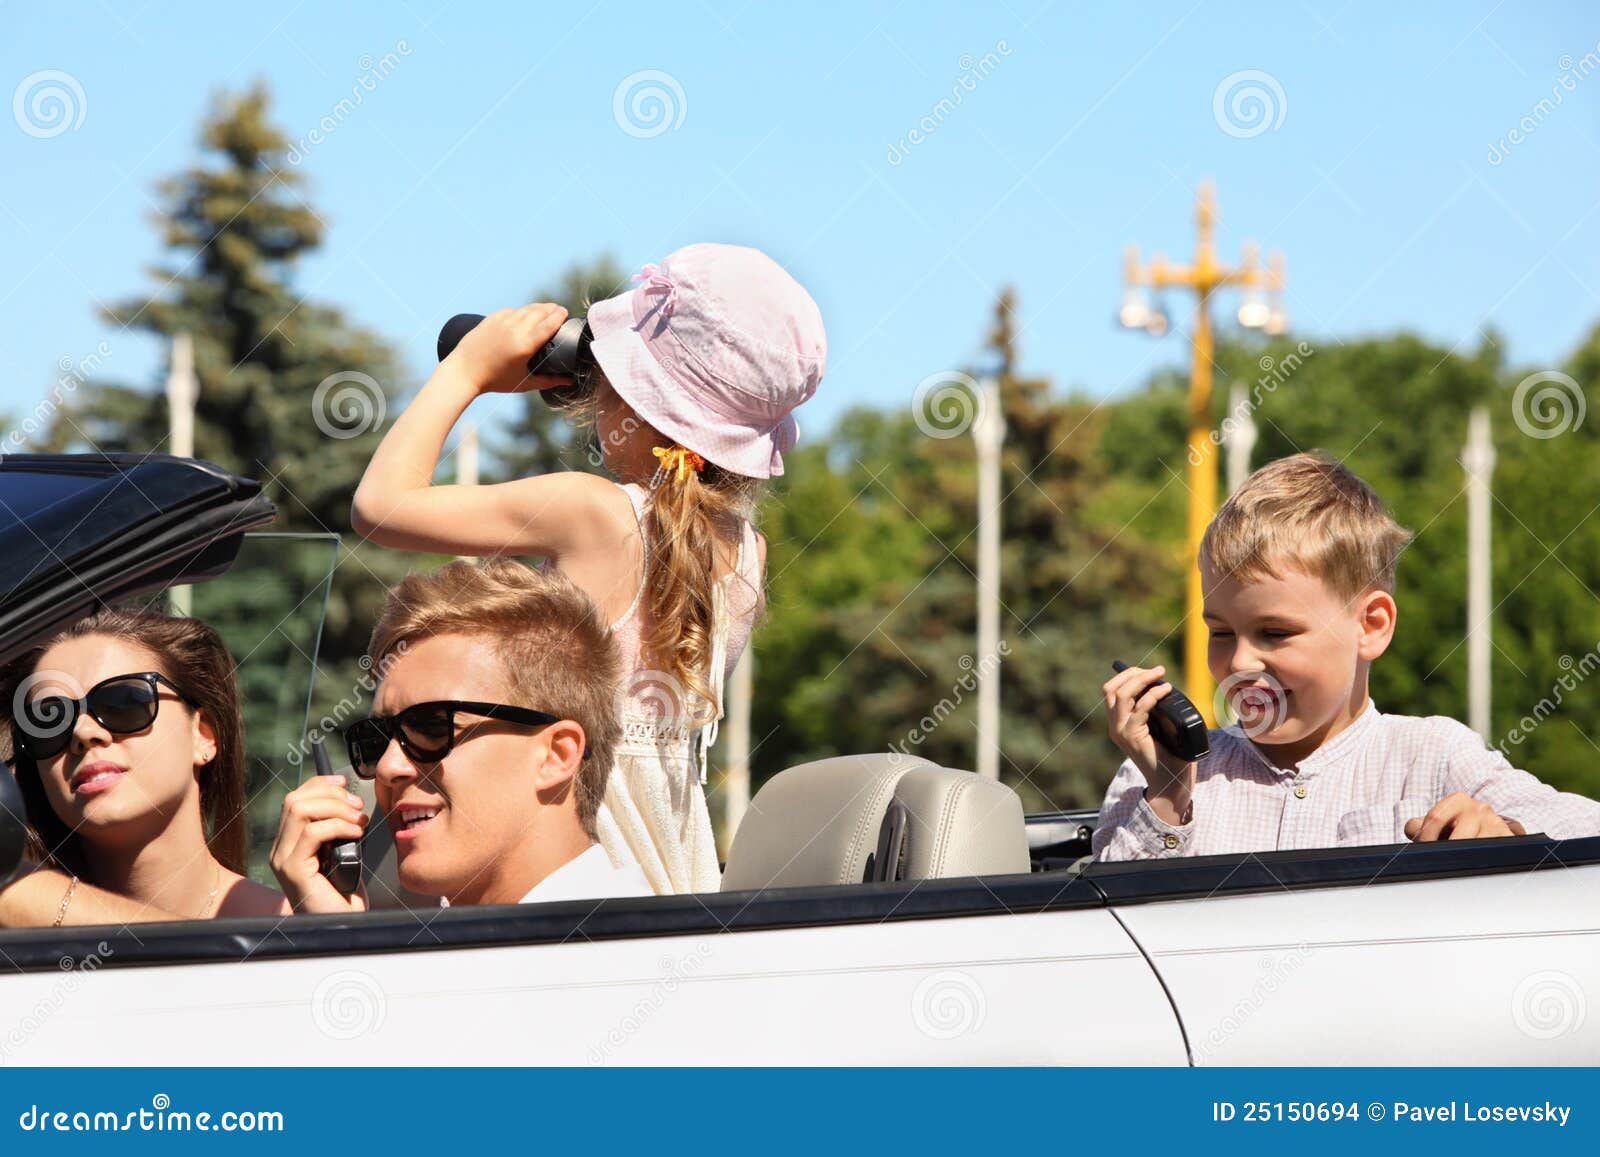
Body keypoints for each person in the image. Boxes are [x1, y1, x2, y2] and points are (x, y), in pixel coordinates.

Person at [349, 242, 826, 894]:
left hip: (575, 866)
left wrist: (468, 371)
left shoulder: (592, 511)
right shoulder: (746, 551)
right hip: (670, 871)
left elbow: (380, 506)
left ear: (630, 398)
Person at [1095, 452, 1600, 860]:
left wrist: (1507, 835)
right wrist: (1168, 795)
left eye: (1274, 632)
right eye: (1221, 633)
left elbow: (1581, 826)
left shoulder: (1432, 756)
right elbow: (1113, 926)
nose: (1241, 662)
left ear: (1370, 626)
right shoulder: (1162, 769)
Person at [270, 559, 651, 912]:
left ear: (556, 755)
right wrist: (341, 938)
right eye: (375, 738)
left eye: (431, 727)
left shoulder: (632, 956)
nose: (387, 766)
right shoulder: (442, 953)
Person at [0, 607, 287, 923]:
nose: (83, 733)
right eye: (50, 721)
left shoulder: (296, 929)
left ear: (204, 735)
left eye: (122, 702)